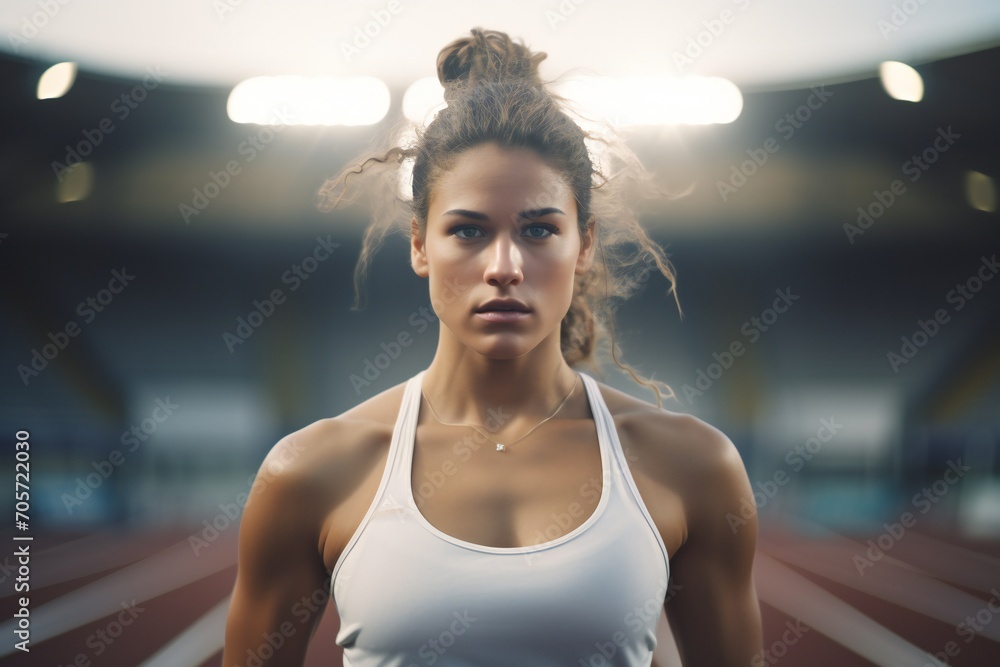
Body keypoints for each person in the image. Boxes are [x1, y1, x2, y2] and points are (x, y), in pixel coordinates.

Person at [223, 27, 762, 667]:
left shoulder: (694, 468)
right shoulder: (310, 473)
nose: (504, 266)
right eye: (469, 230)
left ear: (583, 245)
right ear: (420, 244)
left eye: (538, 229)